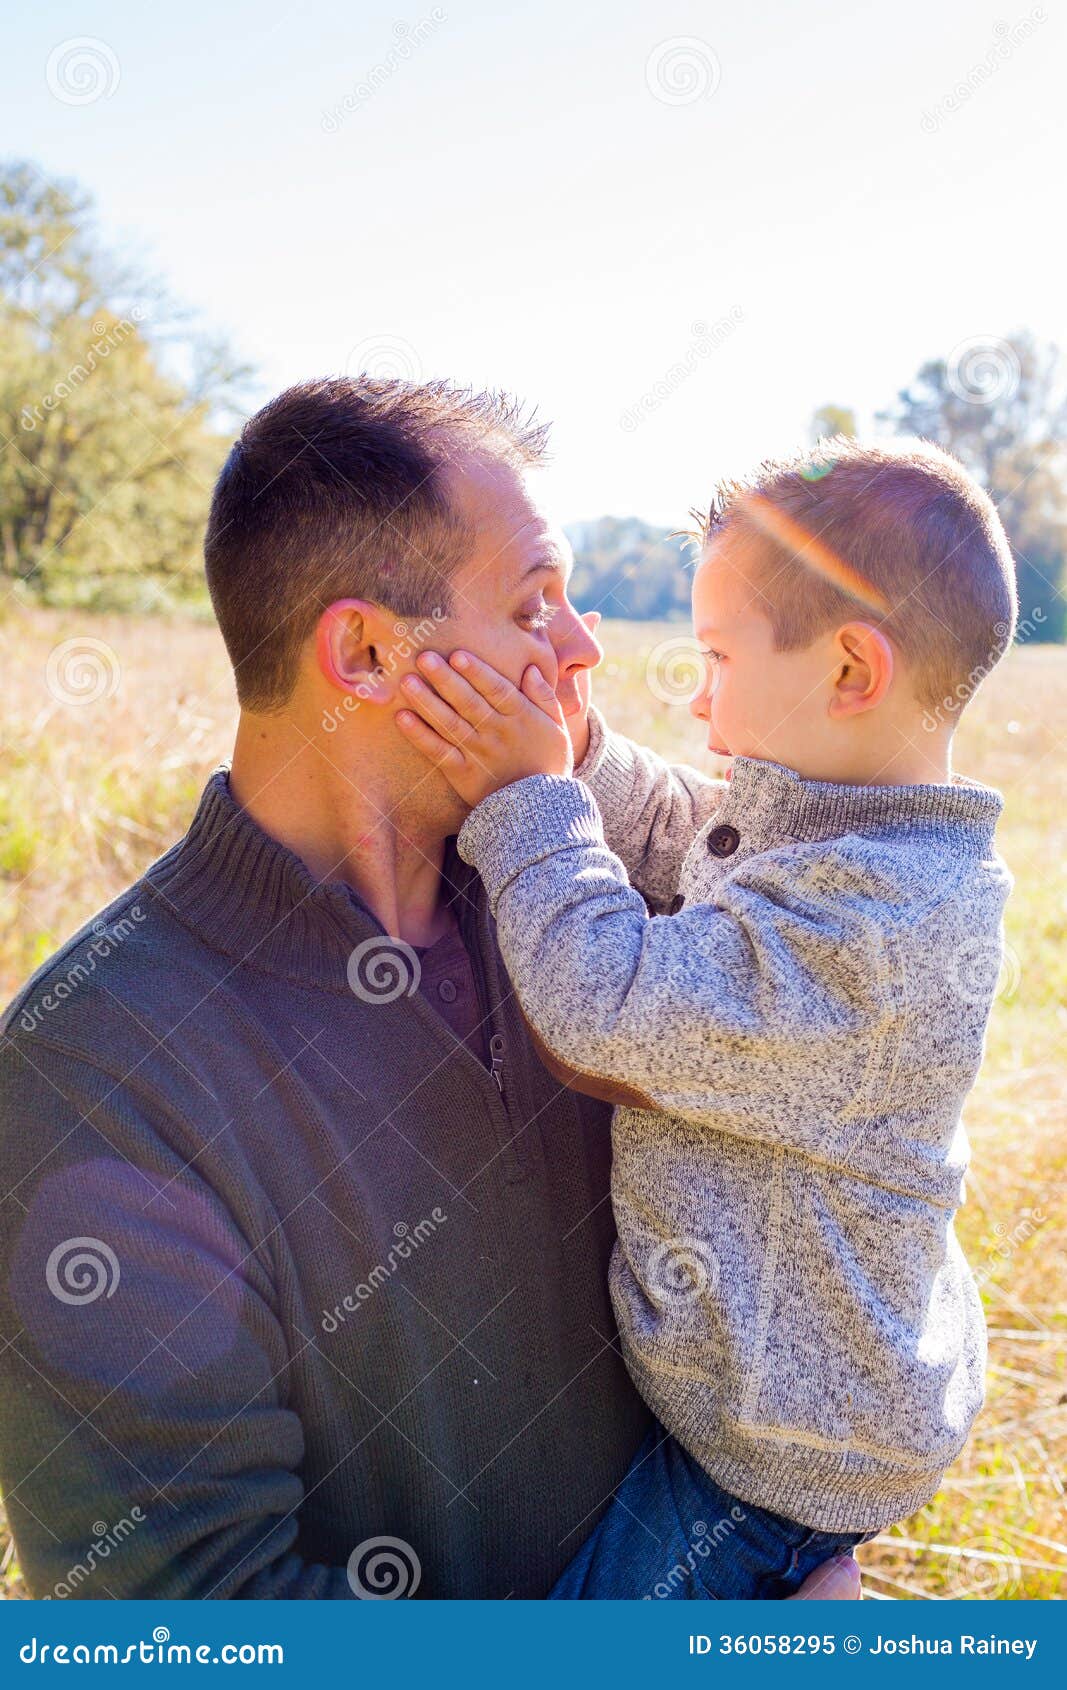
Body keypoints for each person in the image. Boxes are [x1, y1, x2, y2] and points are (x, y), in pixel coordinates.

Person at [0, 378, 855, 1601]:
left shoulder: (589, 899)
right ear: (362, 652)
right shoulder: (94, 1067)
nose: (581, 645)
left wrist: (806, 1557)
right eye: (532, 605)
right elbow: (185, 1619)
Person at [392, 435, 1015, 1598]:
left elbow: (610, 1007)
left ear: (846, 670)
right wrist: (580, 755)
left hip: (779, 1452)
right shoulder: (849, 841)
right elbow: (699, 839)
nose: (695, 695)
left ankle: (803, 1582)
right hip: (786, 1383)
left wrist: (529, 800)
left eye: (718, 656)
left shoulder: (876, 925)